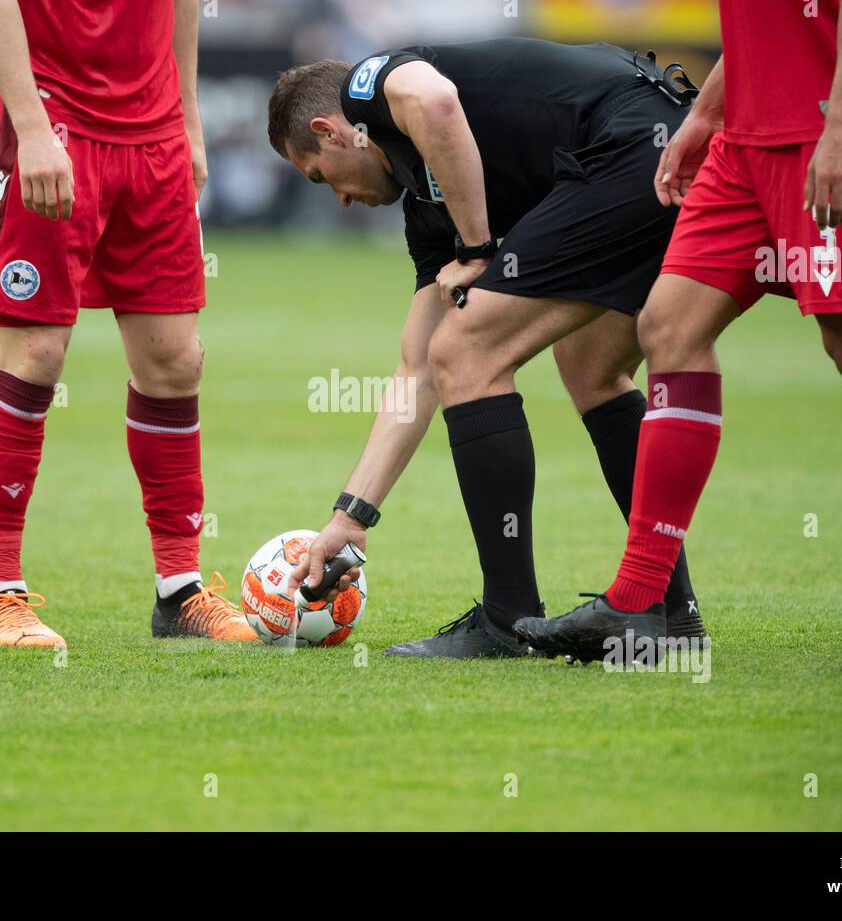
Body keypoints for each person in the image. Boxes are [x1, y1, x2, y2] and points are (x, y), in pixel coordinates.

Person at [513, 0, 842, 671]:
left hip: (837, 127)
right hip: (750, 133)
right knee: (670, 325)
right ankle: (641, 603)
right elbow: (770, 7)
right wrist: (708, 111)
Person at [266, 38, 706, 658]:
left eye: (320, 176)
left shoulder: (366, 87)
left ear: (332, 132)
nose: (336, 198)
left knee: (469, 354)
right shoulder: (425, 208)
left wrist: (476, 249)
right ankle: (668, 614)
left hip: (636, 146)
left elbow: (436, 99)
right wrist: (349, 519)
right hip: (657, 150)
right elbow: (416, 370)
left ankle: (508, 619)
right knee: (591, 367)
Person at [0, 0, 255, 647]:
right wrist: (28, 126)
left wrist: (188, 120)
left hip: (153, 136)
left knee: (175, 361)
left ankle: (180, 591)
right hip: (54, 122)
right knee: (36, 352)